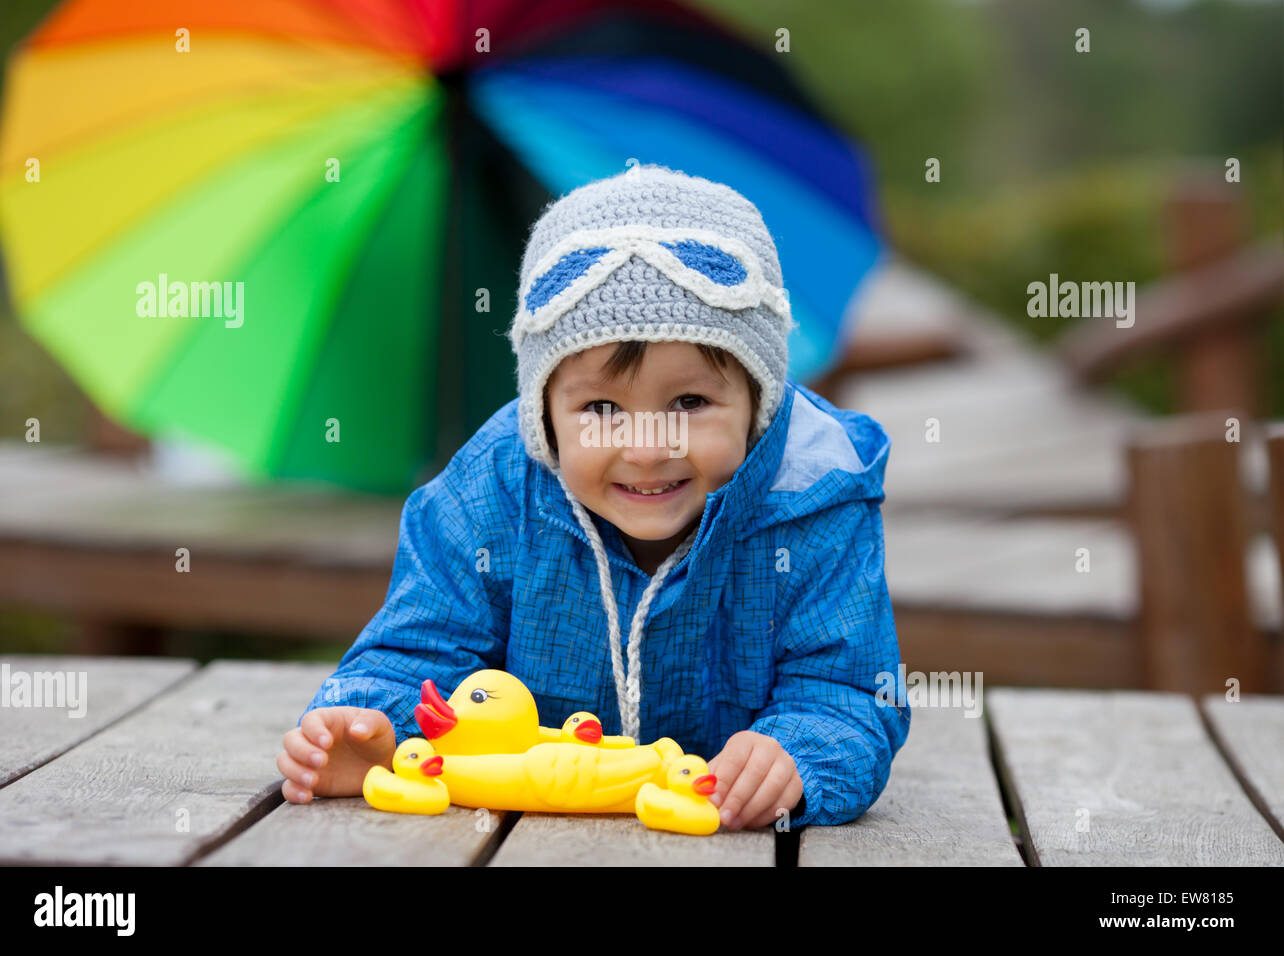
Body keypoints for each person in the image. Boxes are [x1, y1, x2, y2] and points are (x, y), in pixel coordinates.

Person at [277, 164, 909, 829]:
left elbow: (847, 690)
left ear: (758, 400)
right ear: (543, 411)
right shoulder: (493, 490)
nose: (644, 447)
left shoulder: (813, 499)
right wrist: (377, 726)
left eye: (689, 402)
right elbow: (419, 652)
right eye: (602, 407)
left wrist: (796, 756)